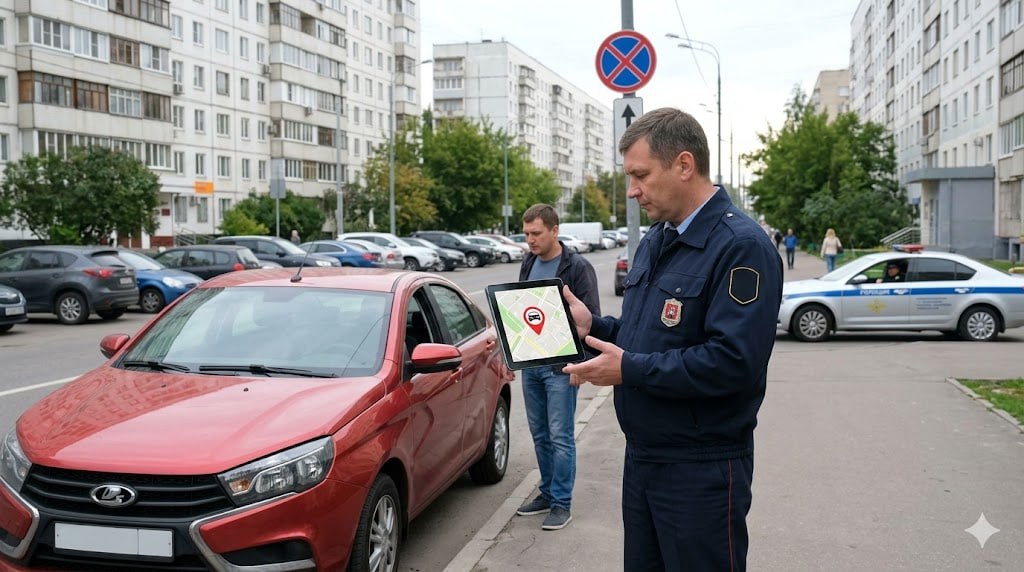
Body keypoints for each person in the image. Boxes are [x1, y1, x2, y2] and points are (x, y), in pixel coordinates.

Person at [561, 108, 783, 570]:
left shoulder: (741, 246)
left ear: (684, 165)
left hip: (700, 470)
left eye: (640, 175)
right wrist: (593, 328)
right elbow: (647, 339)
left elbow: (733, 361)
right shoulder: (658, 239)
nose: (632, 190)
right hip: (644, 460)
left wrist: (629, 370)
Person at [515, 203, 600, 531]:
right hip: (531, 363)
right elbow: (521, 309)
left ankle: (562, 504)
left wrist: (580, 365)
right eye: (526, 234)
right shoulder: (528, 261)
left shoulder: (577, 267)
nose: (530, 240)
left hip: (561, 368)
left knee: (561, 436)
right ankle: (548, 493)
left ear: (554, 230)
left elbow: (592, 317)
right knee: (540, 435)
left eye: (536, 233)